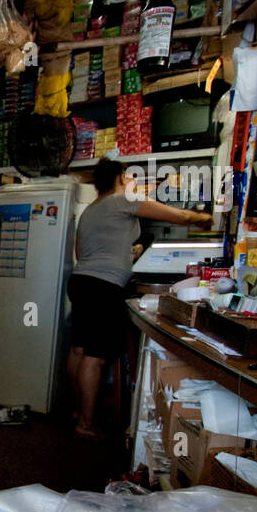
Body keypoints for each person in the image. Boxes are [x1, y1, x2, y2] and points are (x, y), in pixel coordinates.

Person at [67, 156, 212, 440]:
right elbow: (179, 216)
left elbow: (82, 253)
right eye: (128, 176)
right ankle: (86, 423)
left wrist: (125, 253)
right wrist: (202, 217)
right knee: (95, 357)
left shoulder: (91, 211)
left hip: (81, 281)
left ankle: (77, 411)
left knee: (78, 350)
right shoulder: (124, 200)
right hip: (104, 286)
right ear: (120, 178)